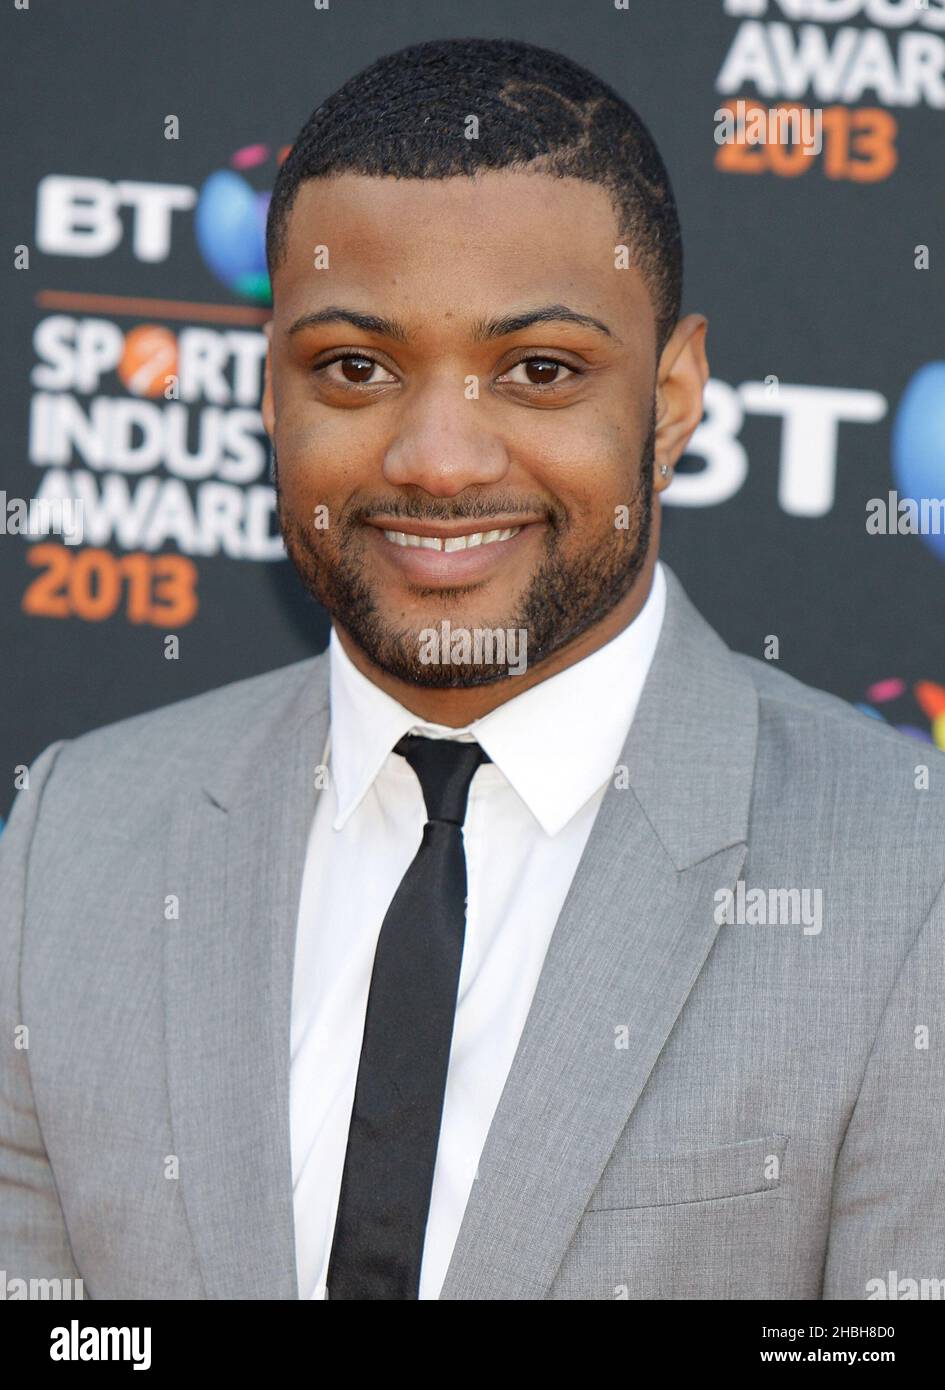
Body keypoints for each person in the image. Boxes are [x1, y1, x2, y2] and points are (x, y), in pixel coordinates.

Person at [2, 35, 943, 1303]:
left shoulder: (909, 881)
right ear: (269, 395)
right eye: (356, 368)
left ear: (672, 400)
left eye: (540, 371)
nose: (439, 461)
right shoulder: (68, 842)